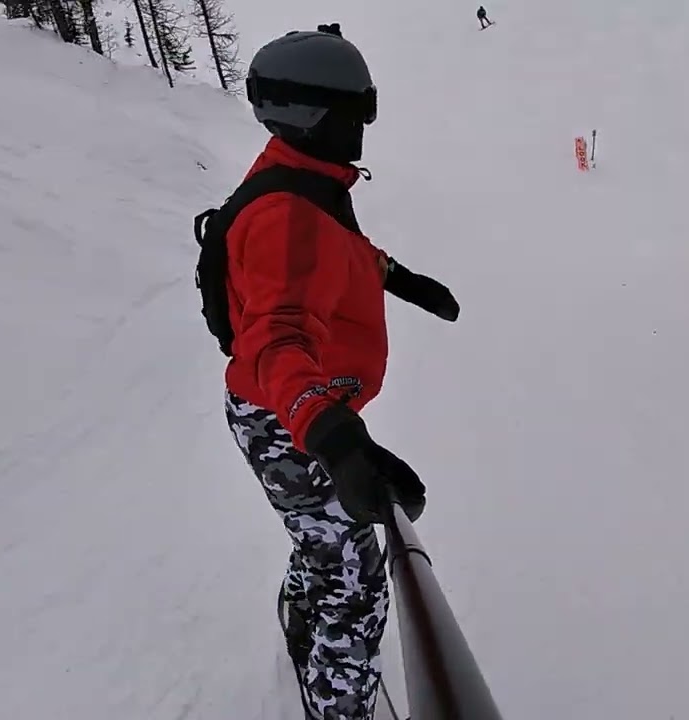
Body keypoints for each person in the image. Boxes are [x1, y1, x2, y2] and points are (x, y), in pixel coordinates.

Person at [219, 24, 460, 720]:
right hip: (289, 416)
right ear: (313, 113)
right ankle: (338, 705)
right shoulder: (284, 212)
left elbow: (338, 250)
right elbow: (276, 339)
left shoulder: (305, 182)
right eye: (359, 112)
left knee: (326, 543)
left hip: (298, 410)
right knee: (357, 581)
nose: (364, 128)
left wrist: (399, 278)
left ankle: (304, 599)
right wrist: (333, 435)